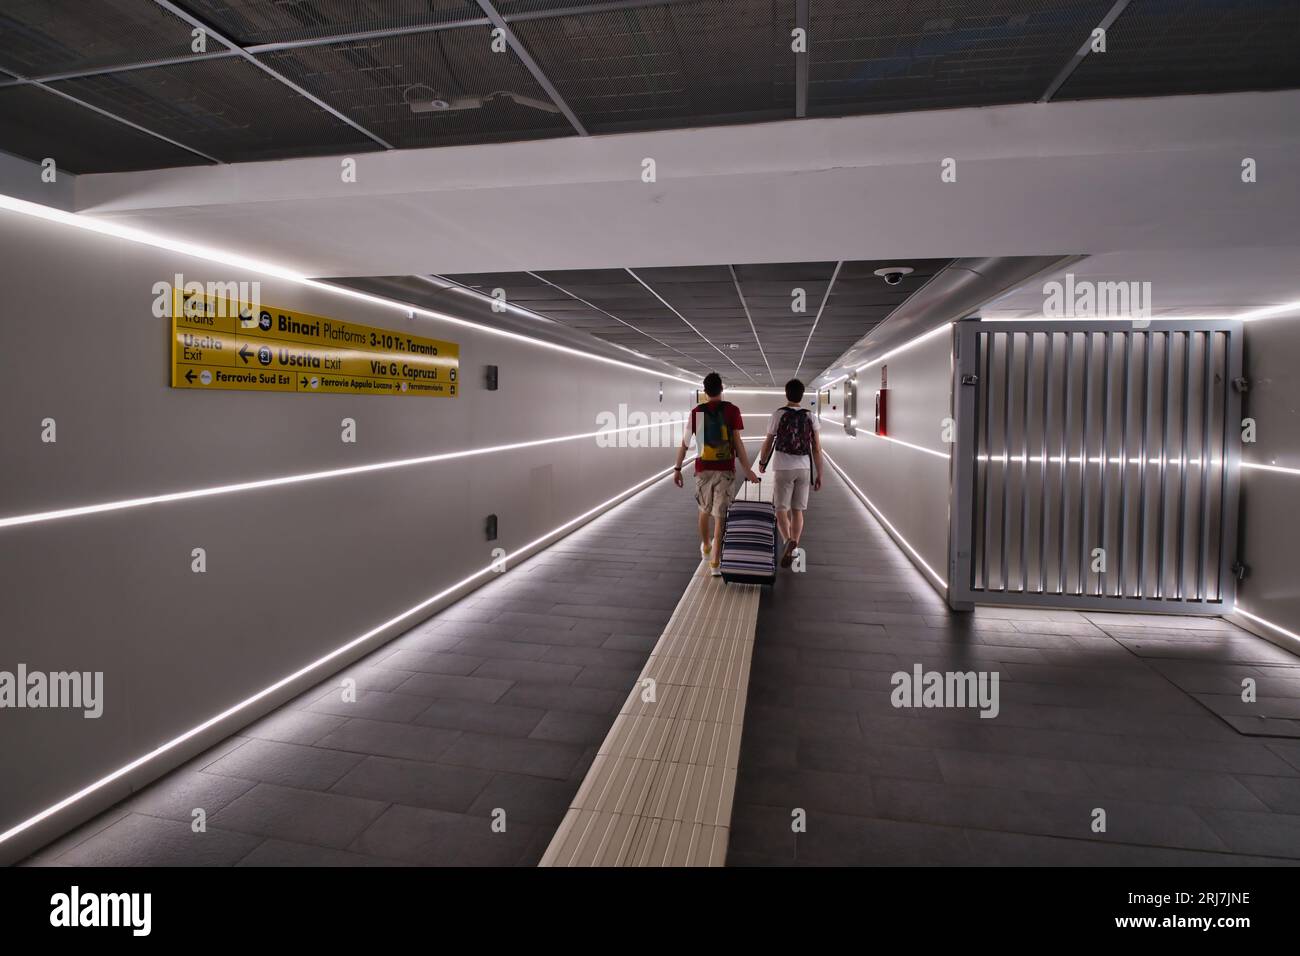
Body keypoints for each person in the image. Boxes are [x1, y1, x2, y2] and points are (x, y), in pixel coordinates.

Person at [673, 372, 760, 576]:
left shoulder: (696, 412)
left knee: (704, 509)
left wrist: (677, 469)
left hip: (703, 469)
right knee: (720, 515)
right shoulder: (732, 410)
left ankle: (705, 546)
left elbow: (685, 443)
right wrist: (749, 472)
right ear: (721, 389)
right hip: (725, 469)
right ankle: (715, 563)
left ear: (705, 391)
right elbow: (738, 444)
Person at [758, 378, 823, 568]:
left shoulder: (778, 414)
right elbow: (817, 448)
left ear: (786, 394)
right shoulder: (811, 416)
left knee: (780, 509)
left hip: (782, 467)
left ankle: (788, 541)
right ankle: (795, 548)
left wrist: (762, 462)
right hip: (804, 468)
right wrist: (820, 474)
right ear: (802, 395)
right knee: (798, 511)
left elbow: (768, 442)